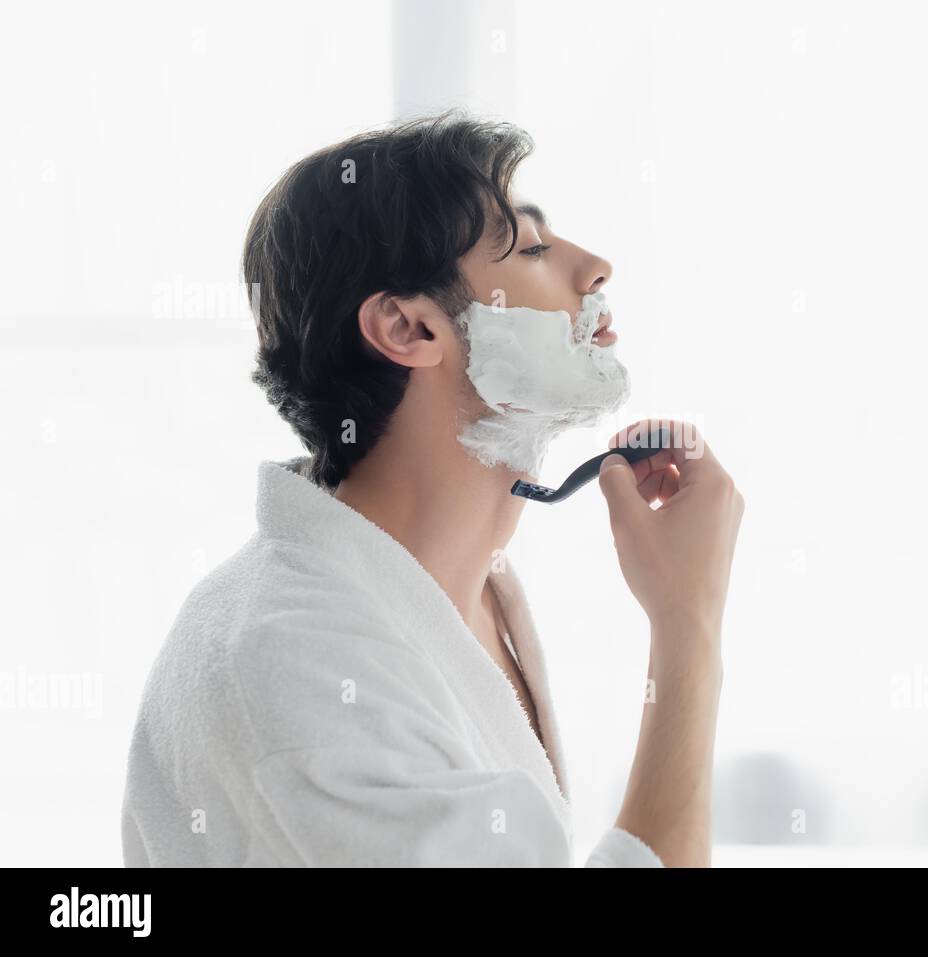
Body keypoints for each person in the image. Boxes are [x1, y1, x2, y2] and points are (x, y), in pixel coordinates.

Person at [121, 111, 744, 867]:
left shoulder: (469, 591)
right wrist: (688, 629)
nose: (597, 267)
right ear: (408, 329)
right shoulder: (300, 663)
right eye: (533, 249)